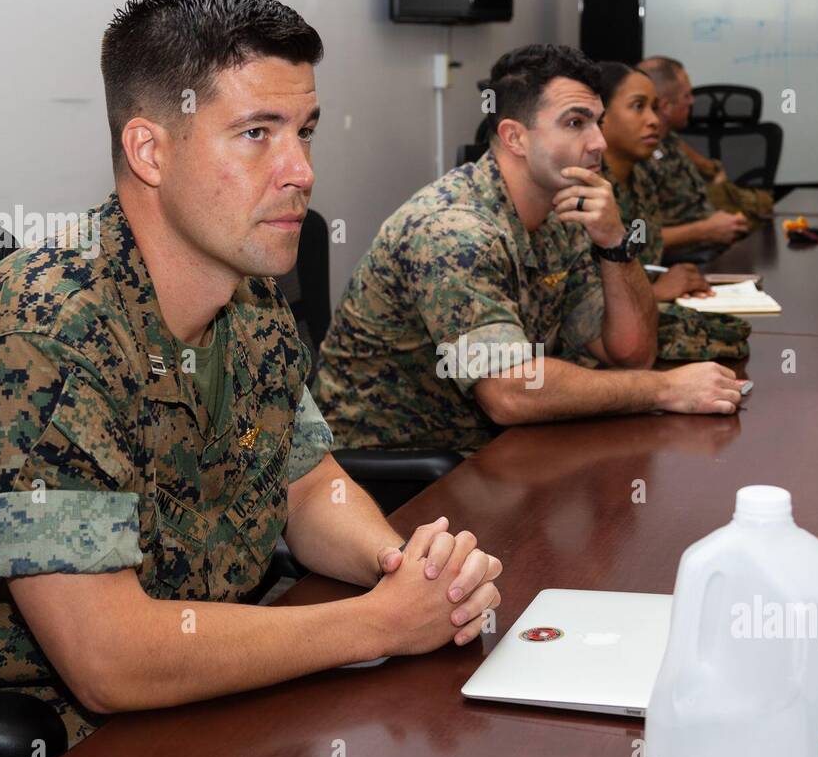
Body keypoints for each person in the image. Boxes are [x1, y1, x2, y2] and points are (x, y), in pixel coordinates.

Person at [0, 0, 502, 757]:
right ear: (150, 151)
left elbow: (306, 486)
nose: (300, 170)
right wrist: (374, 623)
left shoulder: (246, 292)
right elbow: (109, 661)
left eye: (303, 130)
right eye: (257, 134)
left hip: (203, 706)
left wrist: (401, 566)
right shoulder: (43, 331)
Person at [313, 44, 746, 456]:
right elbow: (510, 392)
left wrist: (616, 243)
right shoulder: (456, 230)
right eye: (576, 123)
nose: (598, 142)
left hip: (495, 449)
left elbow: (629, 352)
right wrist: (664, 389)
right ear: (515, 138)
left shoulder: (563, 213)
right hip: (399, 474)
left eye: (597, 121)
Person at [593, 61, 750, 363]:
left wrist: (667, 282)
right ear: (601, 118)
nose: (653, 120)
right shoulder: (586, 193)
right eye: (638, 107)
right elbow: (582, 313)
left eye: (654, 107)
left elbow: (647, 261)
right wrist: (657, 292)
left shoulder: (641, 179)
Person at [638, 55, 773, 246]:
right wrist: (705, 231)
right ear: (666, 106)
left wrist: (713, 171)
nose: (693, 102)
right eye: (687, 95)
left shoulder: (670, 140)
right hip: (689, 254)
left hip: (716, 237)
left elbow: (707, 169)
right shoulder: (637, 155)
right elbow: (639, 241)